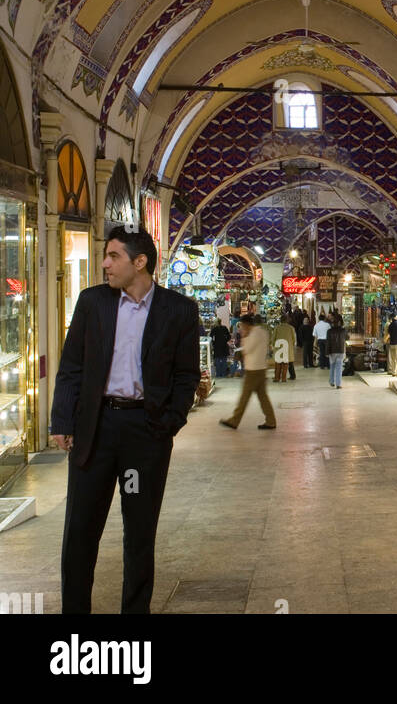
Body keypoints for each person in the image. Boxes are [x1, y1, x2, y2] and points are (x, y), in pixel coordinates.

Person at [50, 226, 199, 614]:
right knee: (80, 530)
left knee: (139, 531)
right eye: (105, 255)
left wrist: (167, 424)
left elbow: (186, 376)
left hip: (143, 435)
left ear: (140, 261)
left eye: (113, 256)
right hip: (96, 431)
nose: (104, 264)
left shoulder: (178, 310)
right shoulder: (93, 303)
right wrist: (62, 421)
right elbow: (71, 367)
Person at [219, 315, 276, 430]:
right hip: (260, 368)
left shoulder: (253, 334)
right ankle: (271, 421)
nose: (241, 328)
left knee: (244, 397)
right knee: (263, 397)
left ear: (246, 324)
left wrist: (244, 336)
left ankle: (235, 420)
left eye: (242, 325)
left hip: (253, 370)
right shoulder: (263, 332)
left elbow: (247, 350)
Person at [272, 314, 296, 382]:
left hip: (278, 348)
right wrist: (292, 345)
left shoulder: (277, 327)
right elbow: (294, 339)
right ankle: (283, 378)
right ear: (287, 320)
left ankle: (277, 378)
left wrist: (273, 345)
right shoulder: (291, 328)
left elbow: (273, 338)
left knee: (278, 364)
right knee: (285, 363)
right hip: (287, 348)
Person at [327, 311, 347, 388]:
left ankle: (332, 381)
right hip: (340, 351)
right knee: (339, 367)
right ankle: (338, 384)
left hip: (332, 351)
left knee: (332, 366)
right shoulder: (343, 330)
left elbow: (328, 342)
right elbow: (347, 337)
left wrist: (327, 352)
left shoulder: (329, 331)